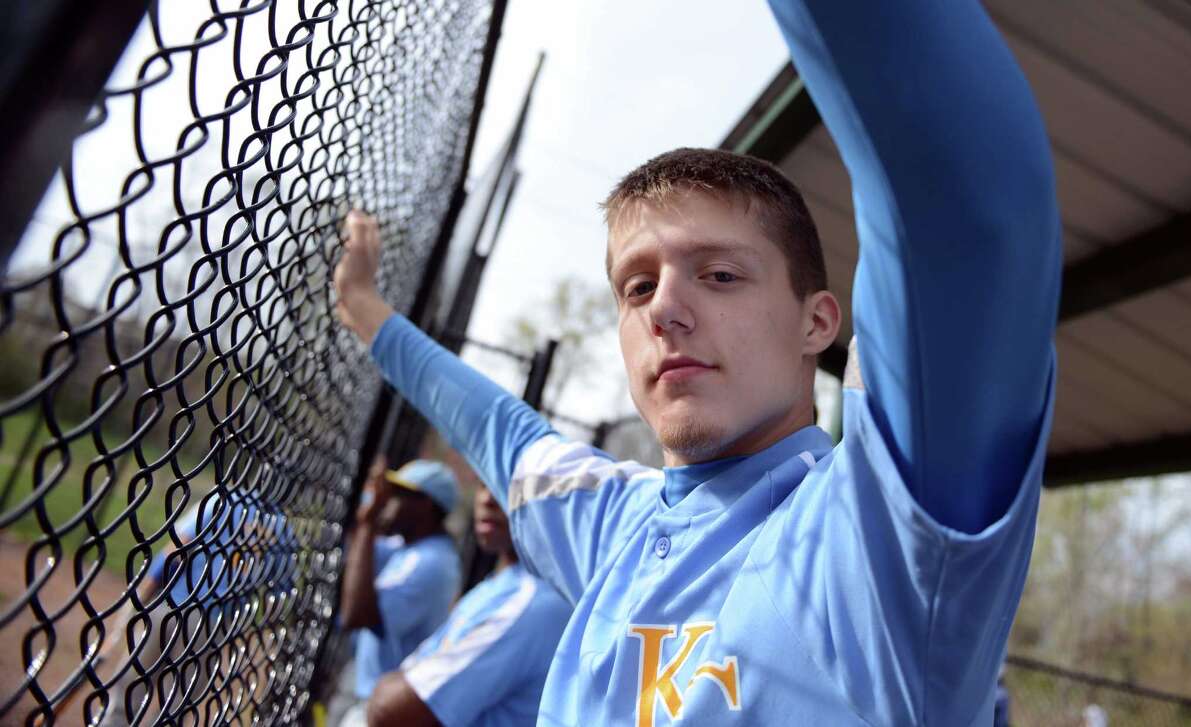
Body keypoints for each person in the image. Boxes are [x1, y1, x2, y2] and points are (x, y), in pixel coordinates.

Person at [333, 0, 1060, 723]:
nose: (664, 308)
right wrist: (367, 309)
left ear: (817, 323)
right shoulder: (614, 521)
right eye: (638, 285)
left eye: (720, 275)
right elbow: (496, 425)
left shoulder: (869, 544)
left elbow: (968, 211)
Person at [365, 485, 572, 726]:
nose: (487, 498)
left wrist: (388, 687)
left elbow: (389, 712)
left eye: (509, 485)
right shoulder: (508, 582)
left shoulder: (533, 602)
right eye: (484, 483)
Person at [98, 491, 288, 726]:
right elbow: (279, 594)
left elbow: (177, 548)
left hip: (170, 604)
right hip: (213, 624)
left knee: (130, 686)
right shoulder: (282, 528)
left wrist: (143, 594)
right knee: (176, 704)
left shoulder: (222, 500)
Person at [338, 459, 462, 726]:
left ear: (425, 505)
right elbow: (355, 548)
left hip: (382, 712)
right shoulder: (410, 548)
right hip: (371, 698)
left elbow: (355, 615)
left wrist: (368, 522)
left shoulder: (431, 563)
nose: (385, 502)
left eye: (396, 495)